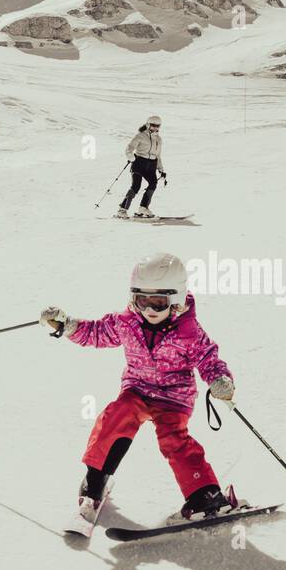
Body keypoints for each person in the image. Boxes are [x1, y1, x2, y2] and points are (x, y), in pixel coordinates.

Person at [40, 252, 238, 526]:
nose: (150, 309)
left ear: (176, 299)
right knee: (116, 416)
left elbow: (208, 357)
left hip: (174, 397)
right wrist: (67, 325)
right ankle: (95, 480)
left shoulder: (188, 330)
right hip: (138, 390)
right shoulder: (126, 322)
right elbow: (96, 332)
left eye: (158, 301)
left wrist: (219, 380)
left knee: (173, 439)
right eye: (142, 300)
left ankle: (204, 494)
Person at [117, 115, 166, 219]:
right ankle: (122, 210)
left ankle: (143, 208)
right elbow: (129, 149)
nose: (155, 128)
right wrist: (132, 158)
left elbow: (158, 155)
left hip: (151, 165)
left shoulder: (159, 139)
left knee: (153, 184)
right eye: (153, 125)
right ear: (148, 125)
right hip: (139, 163)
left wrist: (161, 169)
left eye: (158, 126)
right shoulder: (140, 136)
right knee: (136, 186)